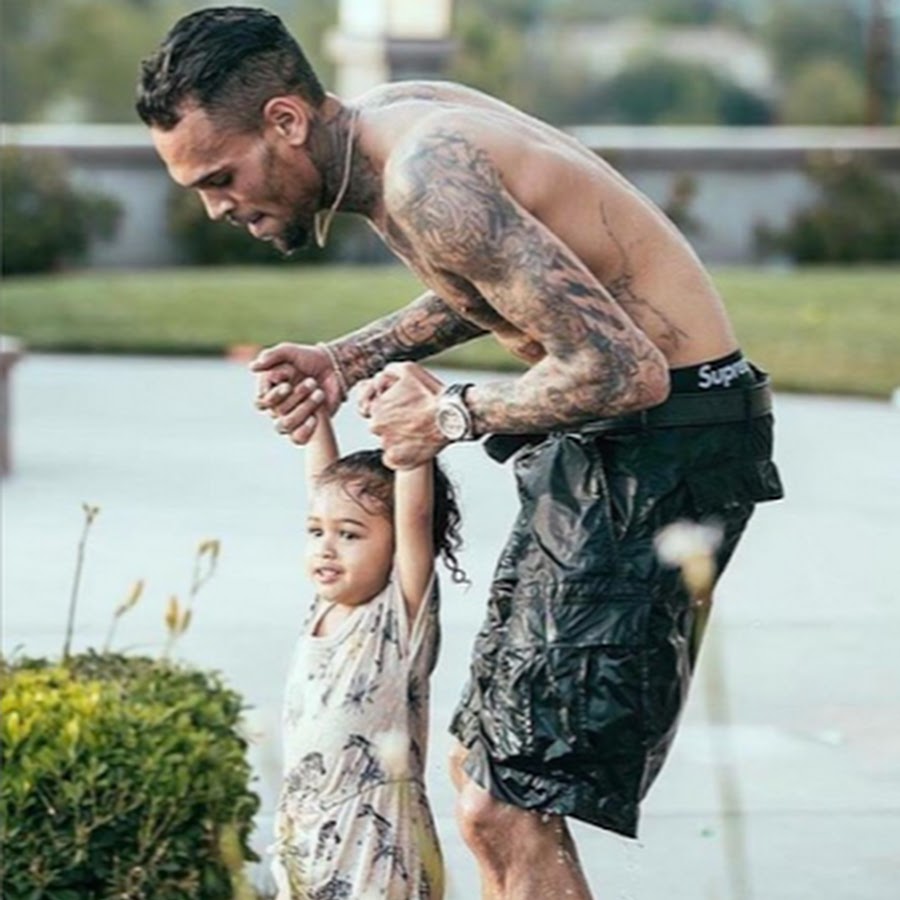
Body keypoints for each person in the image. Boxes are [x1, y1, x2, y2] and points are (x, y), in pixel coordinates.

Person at [137, 7, 784, 898]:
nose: (217, 206)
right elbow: (504, 277)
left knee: (505, 805)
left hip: (665, 442)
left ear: (284, 120)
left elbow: (624, 370)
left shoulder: (425, 175)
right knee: (482, 774)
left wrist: (447, 416)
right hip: (632, 434)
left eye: (220, 176)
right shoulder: (399, 123)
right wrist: (346, 359)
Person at [269, 396, 466, 899]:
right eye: (316, 532)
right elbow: (323, 487)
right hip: (306, 841)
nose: (326, 547)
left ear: (397, 549)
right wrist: (314, 412)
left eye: (350, 536)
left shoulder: (397, 616)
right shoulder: (324, 605)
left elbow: (415, 515)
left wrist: (410, 440)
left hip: (376, 853)